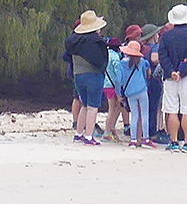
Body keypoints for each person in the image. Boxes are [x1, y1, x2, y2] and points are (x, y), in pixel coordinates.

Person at [156, 4, 187, 153]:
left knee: (172, 110)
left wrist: (171, 72)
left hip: (170, 78)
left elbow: (162, 57)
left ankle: (174, 141)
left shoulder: (166, 36)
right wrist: (182, 72)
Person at [63, 11, 111, 145]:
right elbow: (101, 61)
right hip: (93, 75)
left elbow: (66, 56)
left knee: (84, 104)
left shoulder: (73, 41)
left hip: (78, 75)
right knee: (92, 107)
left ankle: (79, 134)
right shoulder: (97, 42)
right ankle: (89, 136)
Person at [110, 40, 155, 148]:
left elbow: (118, 80)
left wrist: (118, 94)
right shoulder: (142, 61)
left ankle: (133, 139)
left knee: (134, 116)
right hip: (142, 90)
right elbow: (146, 72)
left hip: (129, 92)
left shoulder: (121, 63)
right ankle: (146, 139)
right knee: (144, 114)